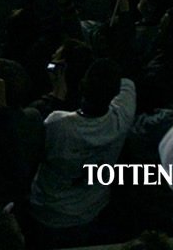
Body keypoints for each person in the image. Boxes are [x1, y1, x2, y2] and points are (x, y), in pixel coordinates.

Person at [28, 61, 137, 244]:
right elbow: (127, 83)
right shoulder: (122, 119)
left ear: (79, 86)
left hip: (47, 211)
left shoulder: (58, 124)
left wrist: (57, 93)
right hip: (91, 209)